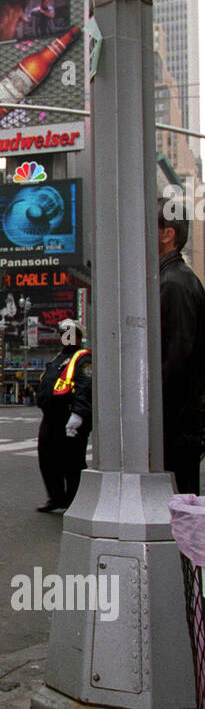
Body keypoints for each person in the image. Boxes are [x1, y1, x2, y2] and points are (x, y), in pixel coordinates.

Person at [158, 201, 205, 493]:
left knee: (177, 513)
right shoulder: (173, 279)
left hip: (175, 427)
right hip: (179, 425)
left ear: (167, 235)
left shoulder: (173, 283)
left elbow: (177, 360)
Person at [35, 322, 92, 512]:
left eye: (70, 333)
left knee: (72, 461)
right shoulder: (59, 358)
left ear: (78, 336)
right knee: (47, 457)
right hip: (51, 416)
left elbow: (85, 386)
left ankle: (74, 500)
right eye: (63, 333)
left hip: (70, 416)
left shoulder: (83, 358)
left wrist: (78, 414)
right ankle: (56, 497)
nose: (66, 337)